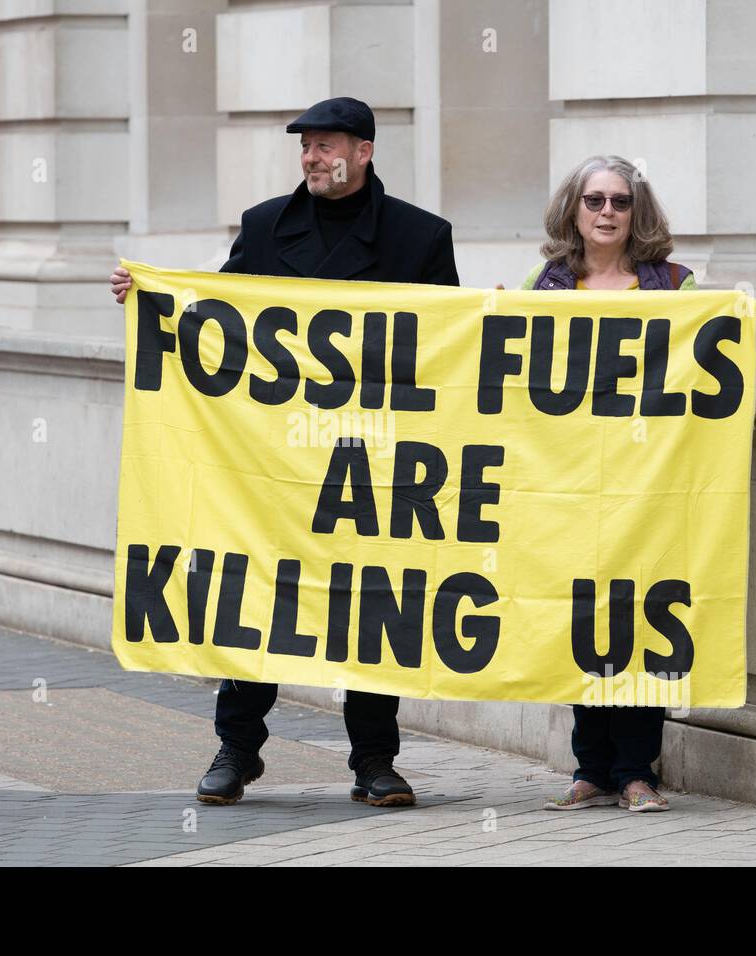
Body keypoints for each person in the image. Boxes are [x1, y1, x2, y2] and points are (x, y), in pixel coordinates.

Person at [110, 97, 458, 807]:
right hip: (272, 462)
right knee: (255, 593)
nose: (312, 158)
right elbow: (220, 316)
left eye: (327, 146)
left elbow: (448, 347)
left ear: (364, 151)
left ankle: (374, 761)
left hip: (371, 461)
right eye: (305, 147)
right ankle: (237, 750)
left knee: (372, 604)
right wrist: (153, 298)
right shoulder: (266, 226)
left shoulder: (421, 237)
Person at [526, 154, 695, 813]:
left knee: (641, 621)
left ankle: (636, 771)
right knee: (582, 618)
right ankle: (590, 767)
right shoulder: (543, 288)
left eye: (619, 202)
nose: (606, 212)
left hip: (645, 483)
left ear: (637, 212)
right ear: (573, 209)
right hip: (569, 483)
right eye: (593, 200)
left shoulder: (675, 288)